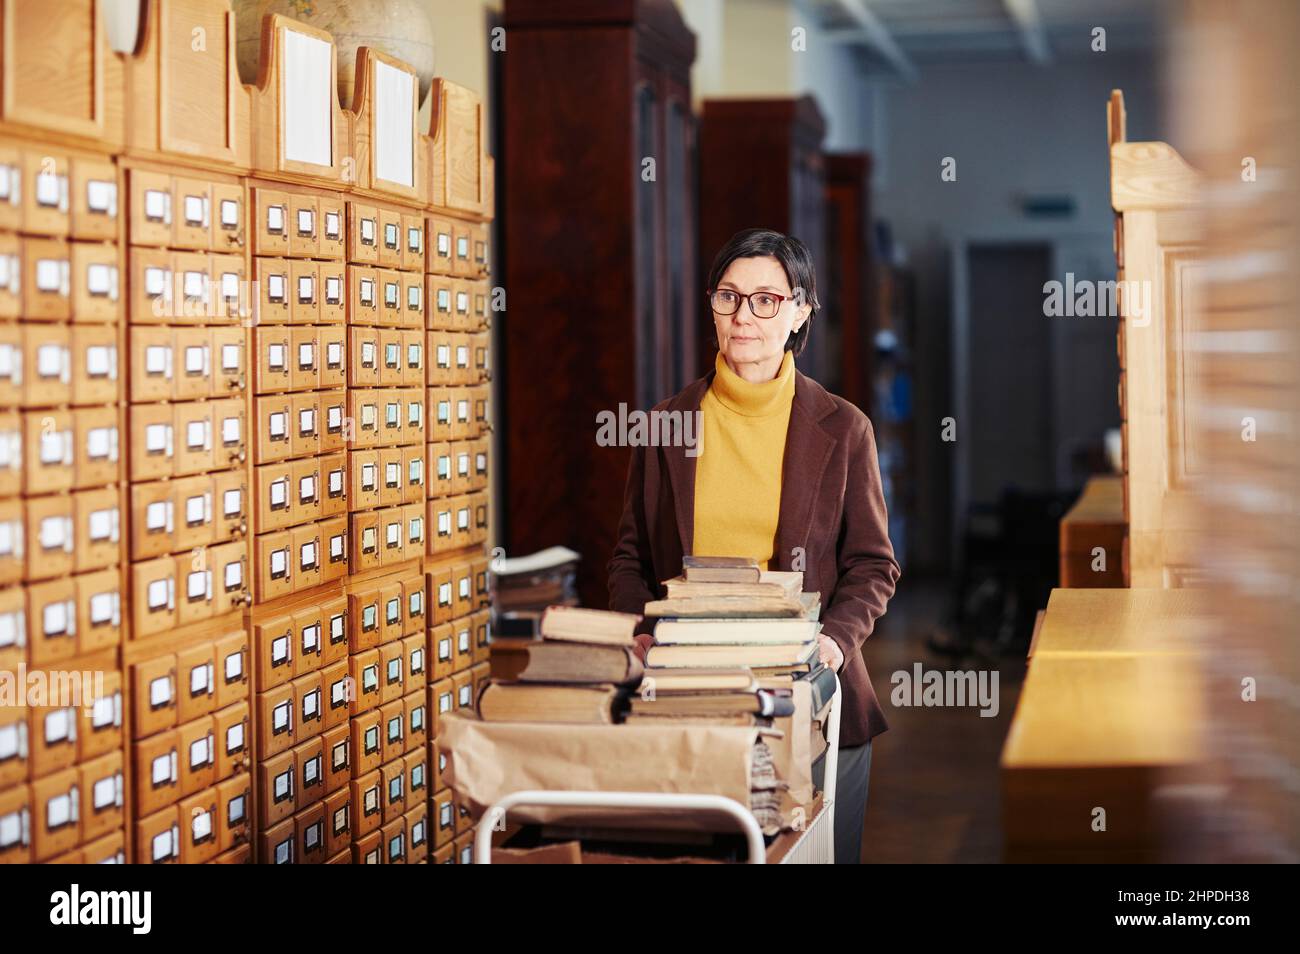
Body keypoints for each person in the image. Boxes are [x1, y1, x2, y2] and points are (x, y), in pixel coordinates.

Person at [607, 227, 901, 863]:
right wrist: (640, 630)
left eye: (767, 299)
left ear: (799, 311)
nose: (745, 315)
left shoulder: (844, 428)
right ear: (712, 305)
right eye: (729, 296)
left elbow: (873, 564)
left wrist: (833, 642)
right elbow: (631, 558)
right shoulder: (664, 425)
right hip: (689, 699)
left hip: (813, 697)